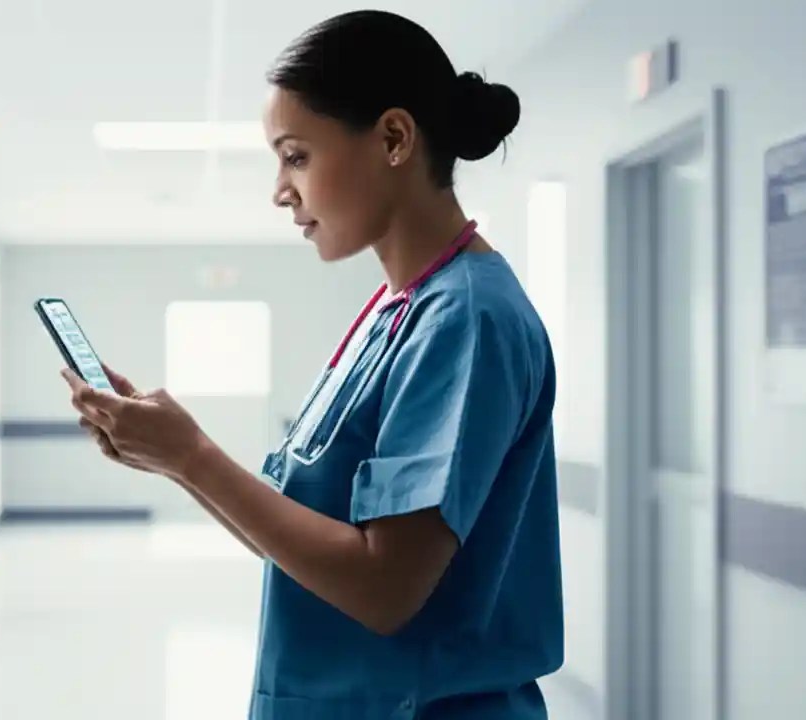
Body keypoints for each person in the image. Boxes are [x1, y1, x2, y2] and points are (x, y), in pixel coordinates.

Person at [62, 10, 563, 719]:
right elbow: (298, 532)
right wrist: (170, 457)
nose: (279, 190)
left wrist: (196, 455)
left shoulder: (467, 319)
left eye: (296, 156)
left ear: (393, 138)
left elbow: (385, 588)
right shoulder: (398, 310)